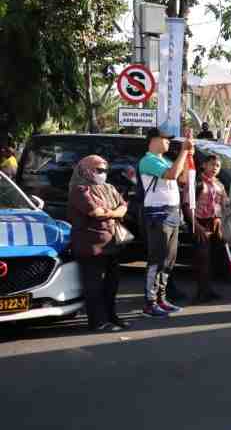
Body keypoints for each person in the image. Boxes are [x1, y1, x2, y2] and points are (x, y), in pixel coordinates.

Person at [68, 155, 130, 331]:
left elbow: (124, 206)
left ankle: (112, 317)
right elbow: (95, 212)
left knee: (111, 285)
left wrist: (111, 212)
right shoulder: (79, 189)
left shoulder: (108, 187)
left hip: (112, 244)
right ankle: (98, 322)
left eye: (105, 170)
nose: (103, 173)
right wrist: (115, 212)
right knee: (94, 286)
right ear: (86, 170)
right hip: (91, 246)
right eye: (99, 170)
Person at [138, 125, 192, 318]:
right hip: (157, 213)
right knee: (157, 259)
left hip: (172, 212)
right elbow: (172, 174)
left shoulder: (166, 160)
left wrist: (188, 155)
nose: (169, 142)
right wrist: (184, 151)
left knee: (169, 260)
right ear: (153, 140)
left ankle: (161, 298)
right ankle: (150, 302)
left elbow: (182, 177)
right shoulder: (148, 160)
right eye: (165, 138)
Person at [187, 153, 227, 304]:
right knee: (201, 259)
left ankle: (209, 290)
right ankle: (200, 292)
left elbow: (224, 204)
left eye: (217, 166)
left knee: (212, 260)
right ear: (204, 165)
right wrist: (196, 225)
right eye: (211, 164)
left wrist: (221, 220)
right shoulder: (196, 182)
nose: (214, 168)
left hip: (215, 224)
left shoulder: (219, 184)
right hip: (200, 223)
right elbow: (187, 205)